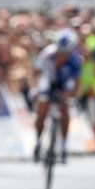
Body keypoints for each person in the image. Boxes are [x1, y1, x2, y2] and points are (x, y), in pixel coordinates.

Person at [33, 28, 82, 163]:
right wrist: (36, 90)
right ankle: (37, 141)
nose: (62, 56)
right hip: (48, 80)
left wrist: (71, 95)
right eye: (60, 52)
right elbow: (36, 73)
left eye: (66, 53)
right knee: (42, 109)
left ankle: (64, 145)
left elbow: (76, 83)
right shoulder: (47, 54)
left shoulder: (75, 60)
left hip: (64, 83)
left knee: (65, 109)